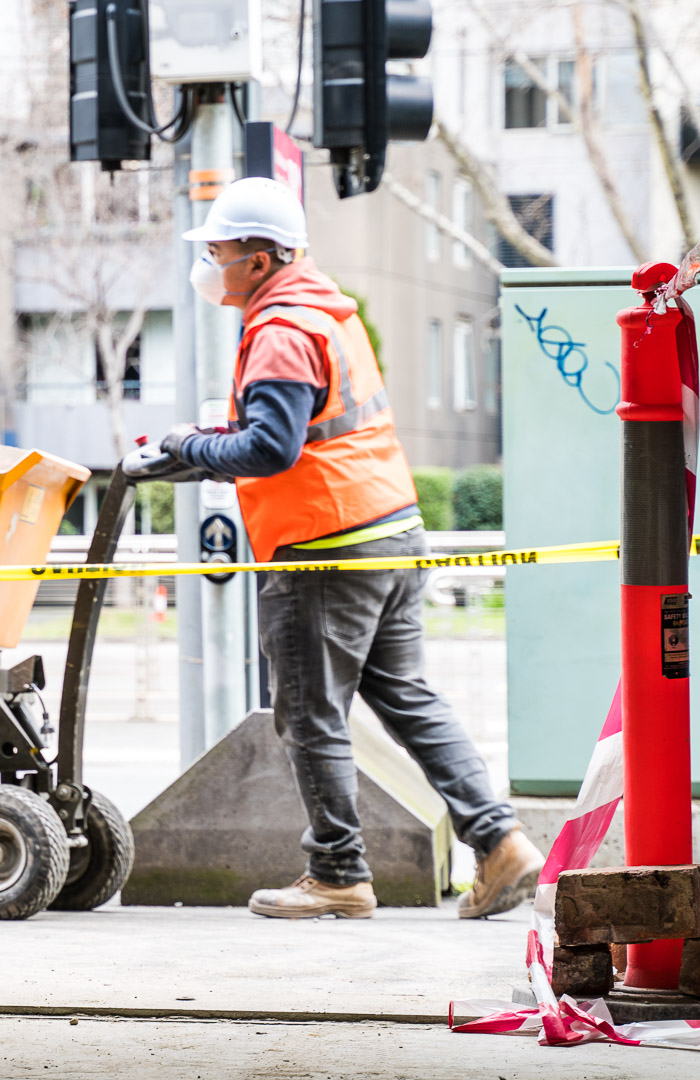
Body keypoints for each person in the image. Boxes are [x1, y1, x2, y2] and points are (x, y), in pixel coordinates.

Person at [140, 177, 543, 920]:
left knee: (309, 711)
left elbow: (271, 446)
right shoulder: (326, 313)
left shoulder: (279, 331)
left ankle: (338, 873)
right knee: (407, 697)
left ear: (259, 260)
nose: (212, 265)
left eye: (222, 250)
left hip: (327, 547)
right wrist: (196, 453)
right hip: (389, 529)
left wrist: (186, 445)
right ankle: (498, 839)